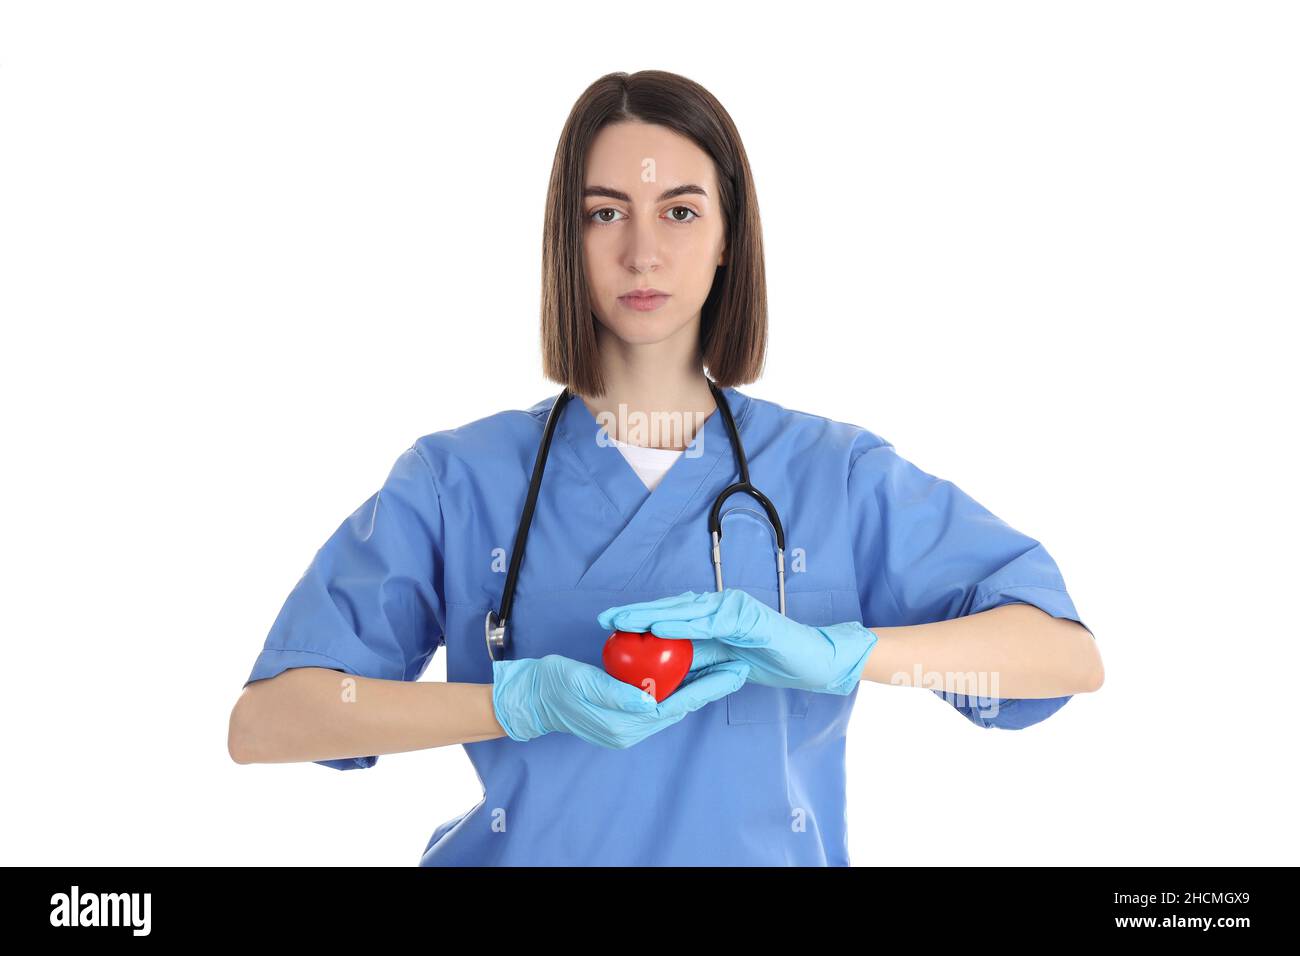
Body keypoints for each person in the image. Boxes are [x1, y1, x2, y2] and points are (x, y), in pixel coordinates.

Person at [228, 70, 1104, 866]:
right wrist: (513, 704)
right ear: (565, 239)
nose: (642, 254)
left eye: (680, 211)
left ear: (729, 238)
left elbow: (1064, 658)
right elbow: (268, 721)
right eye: (604, 212)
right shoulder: (460, 480)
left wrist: (846, 653)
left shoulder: (833, 476)